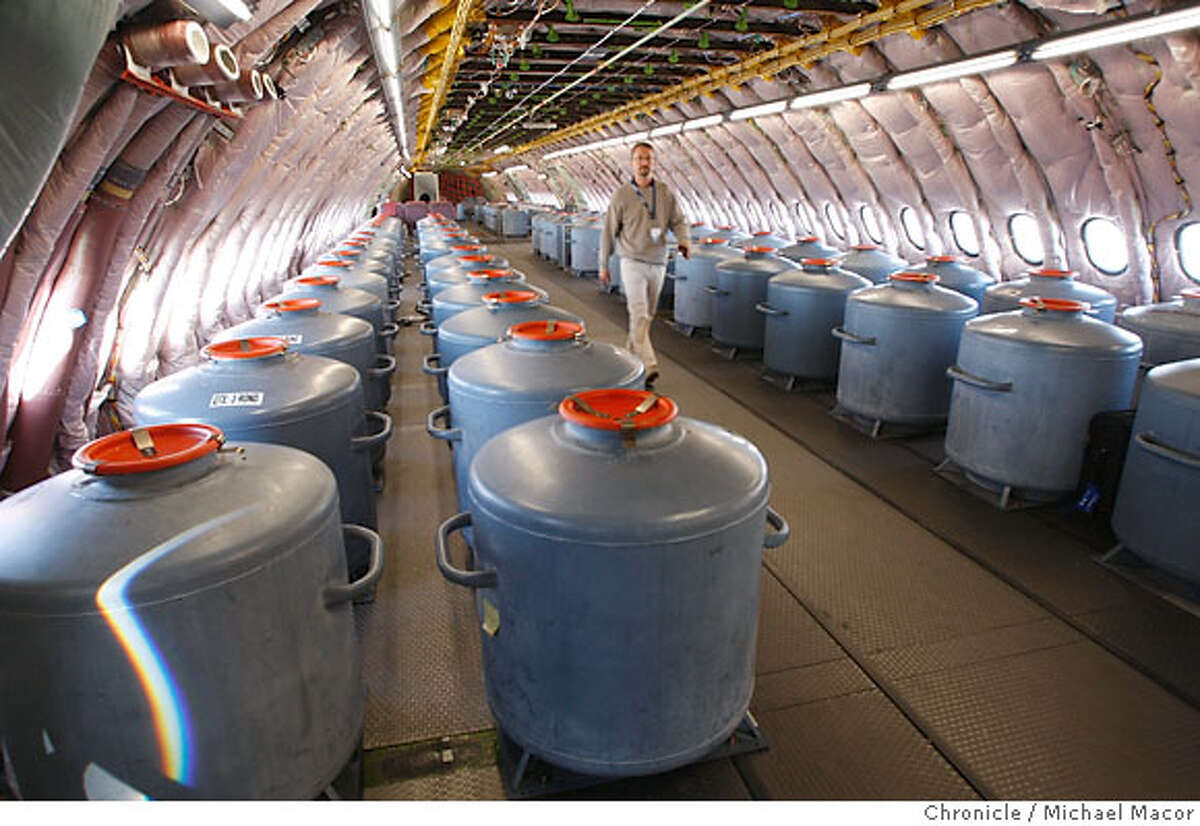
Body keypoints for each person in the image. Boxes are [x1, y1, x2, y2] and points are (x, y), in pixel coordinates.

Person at [599, 141, 690, 390]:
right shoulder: (622, 195)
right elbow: (608, 231)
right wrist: (603, 264)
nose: (643, 163)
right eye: (639, 158)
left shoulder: (665, 192)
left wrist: (684, 240)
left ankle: (629, 361)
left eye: (648, 158)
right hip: (631, 261)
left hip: (658, 262)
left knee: (645, 318)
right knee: (638, 313)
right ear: (632, 163)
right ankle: (649, 366)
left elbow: (678, 220)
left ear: (653, 162)